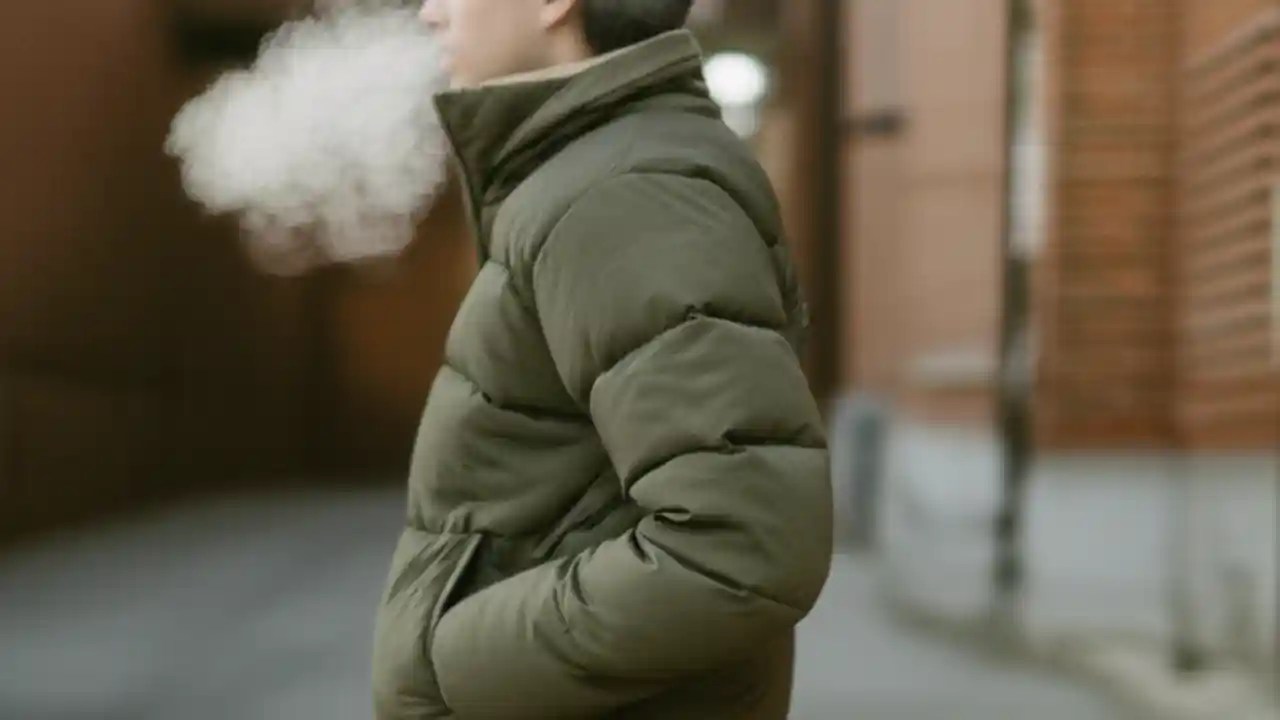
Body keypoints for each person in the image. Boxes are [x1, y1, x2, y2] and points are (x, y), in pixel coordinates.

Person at [372, 1, 833, 717]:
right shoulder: (595, 173)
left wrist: (451, 658)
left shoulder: (625, 193)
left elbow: (741, 543)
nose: (429, 12)